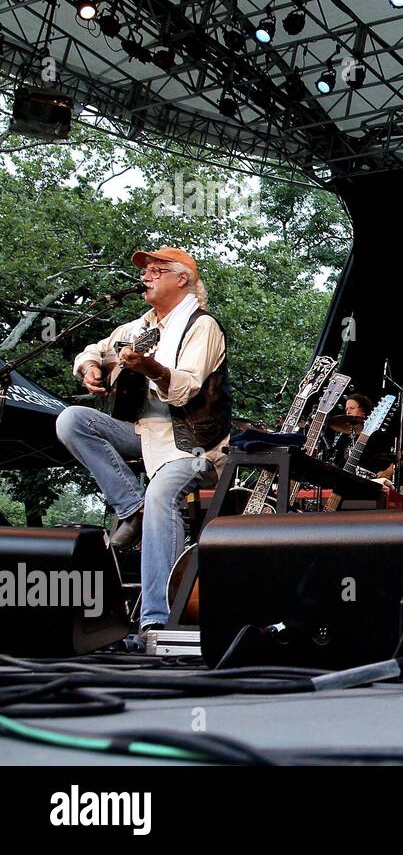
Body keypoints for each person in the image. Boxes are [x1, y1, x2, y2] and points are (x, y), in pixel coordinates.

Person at [57, 248, 230, 636]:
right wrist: (90, 368)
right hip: (144, 436)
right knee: (72, 419)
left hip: (194, 446)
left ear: (182, 279)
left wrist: (150, 367)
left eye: (157, 270)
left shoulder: (202, 327)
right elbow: (93, 350)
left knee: (161, 494)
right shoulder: (139, 326)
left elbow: (186, 388)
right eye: (145, 271)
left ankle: (156, 618)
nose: (146, 276)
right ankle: (130, 509)